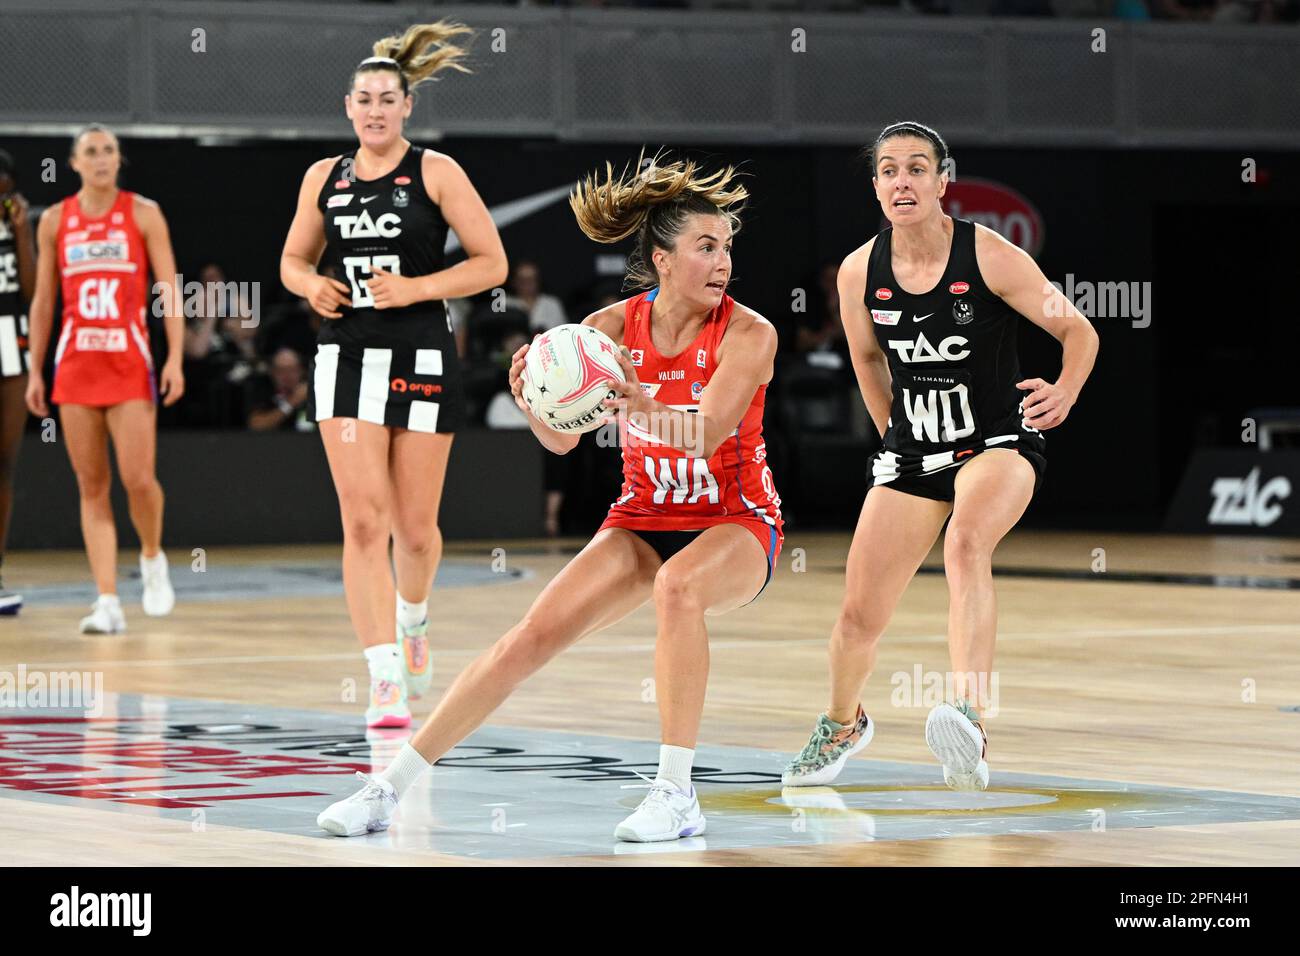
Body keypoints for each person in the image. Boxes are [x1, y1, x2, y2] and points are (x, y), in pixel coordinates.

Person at [317, 151, 783, 843]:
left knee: (680, 589)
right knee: (524, 641)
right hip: (642, 517)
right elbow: (564, 443)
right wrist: (535, 400)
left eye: (727, 248)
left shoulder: (749, 332)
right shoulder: (607, 330)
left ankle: (676, 796)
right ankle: (390, 786)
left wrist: (637, 402)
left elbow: (705, 432)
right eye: (705, 247)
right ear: (661, 259)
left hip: (737, 522)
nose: (722, 263)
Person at [782, 121, 1098, 792]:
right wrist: (894, 436)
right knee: (858, 615)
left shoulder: (990, 256)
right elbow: (867, 357)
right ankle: (842, 722)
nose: (903, 180)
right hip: (915, 449)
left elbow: (1079, 329)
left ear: (941, 181)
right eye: (890, 170)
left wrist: (1066, 389)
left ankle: (970, 716)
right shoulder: (859, 269)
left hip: (997, 439)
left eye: (917, 168)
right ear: (875, 187)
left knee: (966, 544)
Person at [279, 22, 508, 727]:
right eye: (364, 100)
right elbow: (292, 260)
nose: (375, 110)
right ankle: (382, 676)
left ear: (407, 106)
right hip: (345, 356)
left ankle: (413, 618)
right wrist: (307, 286)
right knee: (362, 521)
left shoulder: (436, 171)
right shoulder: (324, 177)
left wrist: (415, 288)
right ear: (348, 108)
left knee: (414, 531)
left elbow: (490, 264)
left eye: (388, 99)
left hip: (422, 355)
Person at [25, 125, 184, 634]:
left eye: (109, 151)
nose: (101, 159)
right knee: (92, 485)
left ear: (119, 160)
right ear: (74, 162)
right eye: (90, 152)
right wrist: (35, 367)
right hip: (75, 365)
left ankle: (153, 557)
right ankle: (107, 600)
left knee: (139, 479)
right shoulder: (54, 220)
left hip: (128, 362)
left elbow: (169, 291)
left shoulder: (143, 213)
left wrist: (175, 356)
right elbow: (45, 300)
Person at [0, 149, 36, 613]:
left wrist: (23, 233)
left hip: (13, 344)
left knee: (4, 464)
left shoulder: (22, 224)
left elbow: (32, 292)